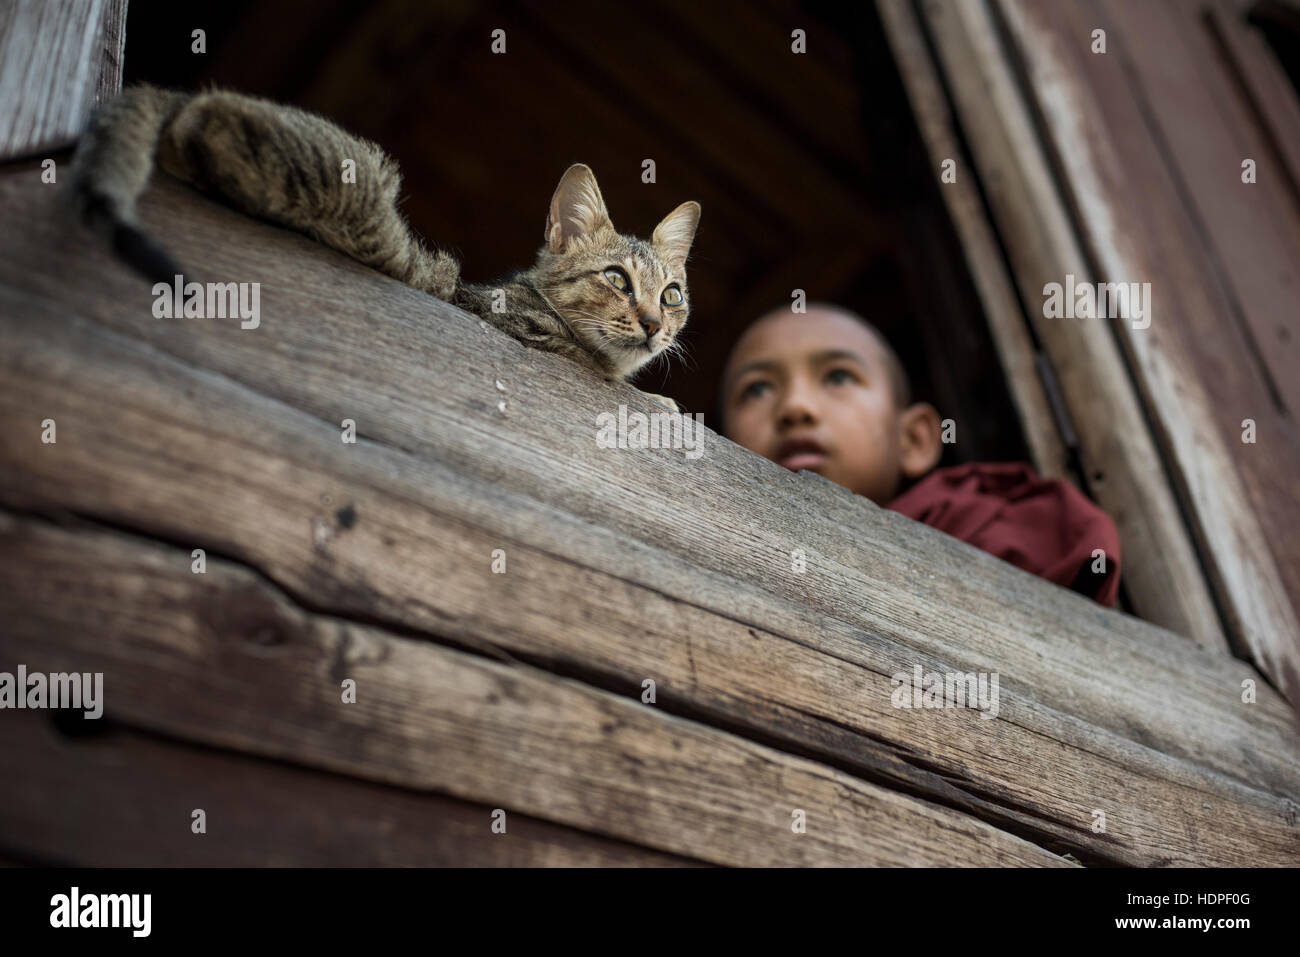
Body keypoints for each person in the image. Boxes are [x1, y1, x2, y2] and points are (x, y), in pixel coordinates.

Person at [718, 302, 1121, 606]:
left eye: (838, 376)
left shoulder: (983, 528)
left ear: (913, 440)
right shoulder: (720, 555)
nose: (795, 407)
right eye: (757, 389)